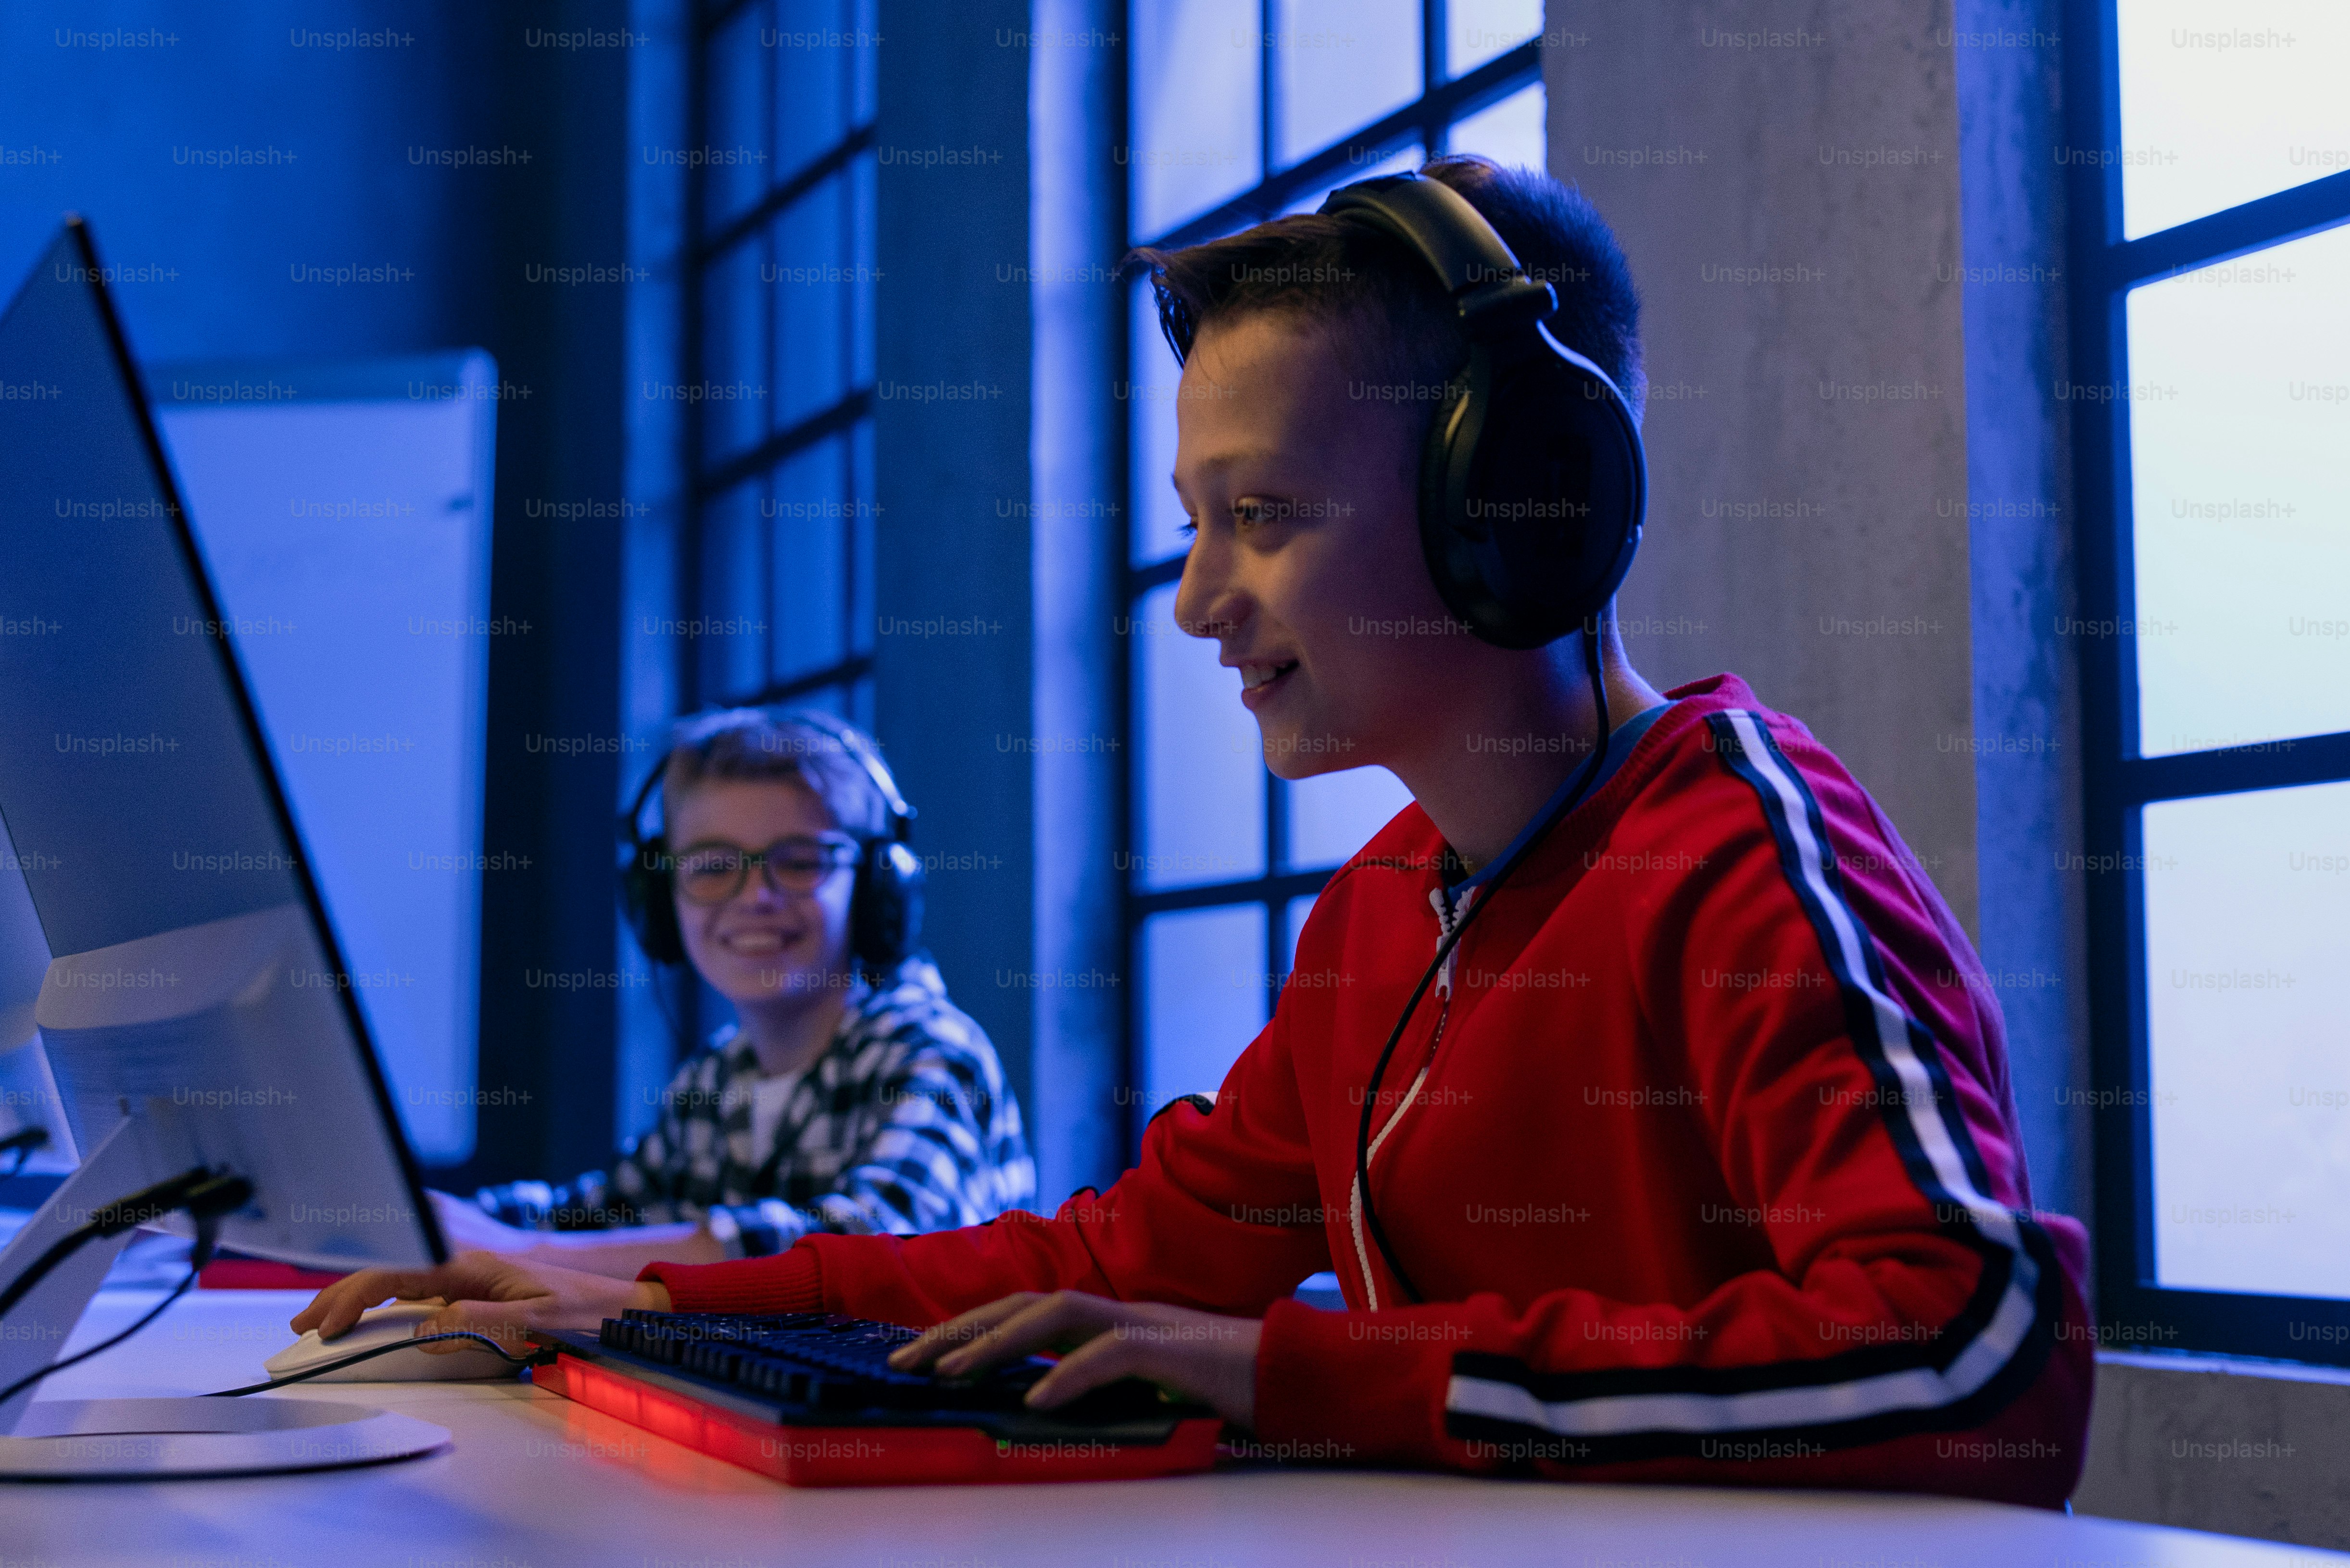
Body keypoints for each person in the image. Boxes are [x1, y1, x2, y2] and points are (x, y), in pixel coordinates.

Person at [298, 157, 2092, 1505]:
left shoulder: (1742, 851)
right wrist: (626, 1298)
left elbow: (1973, 1347)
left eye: (1268, 512)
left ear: (1519, 503)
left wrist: (1292, 1367)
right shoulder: (1386, 913)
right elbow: (1104, 1262)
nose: (1201, 602)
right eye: (1195, 520)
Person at [424, 705, 1034, 1279]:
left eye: (800, 862)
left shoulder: (932, 1051)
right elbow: (596, 1217)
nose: (754, 898)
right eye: (713, 865)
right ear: (660, 904)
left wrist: (529, 1255)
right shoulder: (717, 1076)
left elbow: (872, 1243)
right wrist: (431, 1222)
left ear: (878, 890)